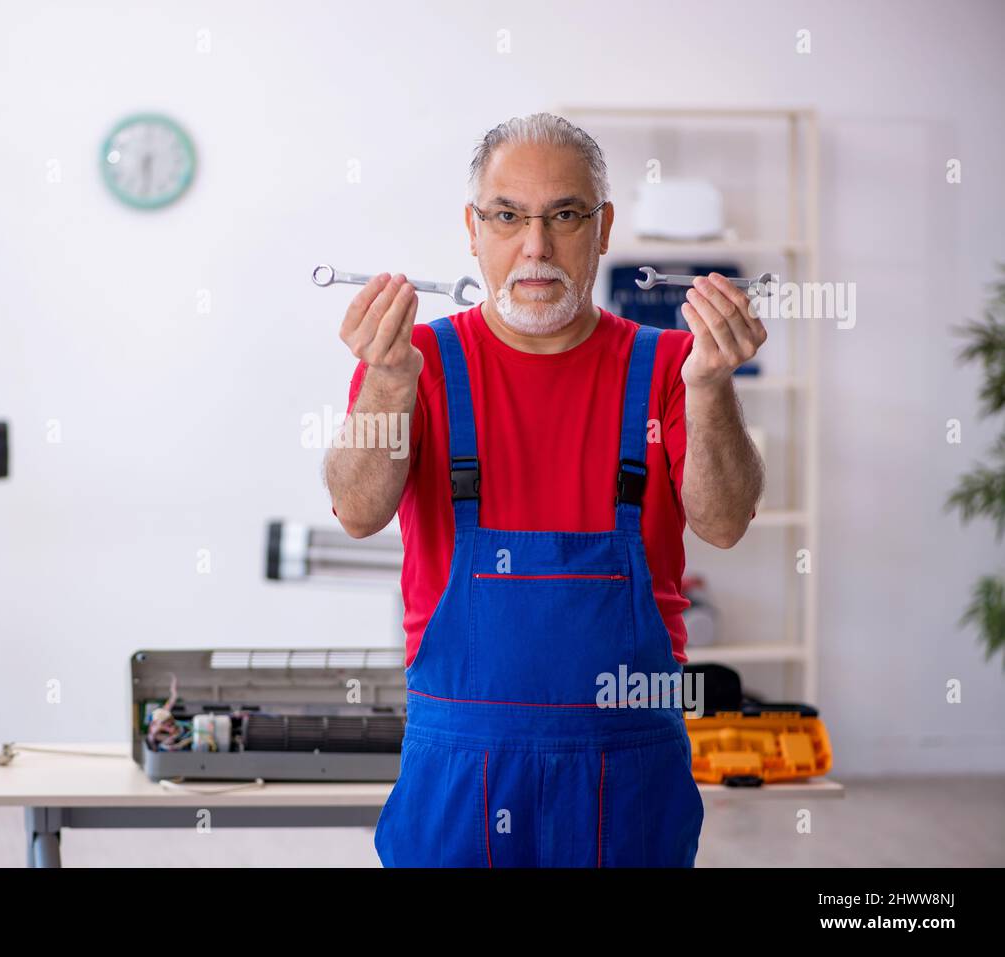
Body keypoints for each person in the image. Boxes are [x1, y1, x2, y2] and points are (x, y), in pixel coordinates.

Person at [323, 112, 766, 867]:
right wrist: (389, 386)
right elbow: (358, 510)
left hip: (629, 765)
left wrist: (712, 387)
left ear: (602, 227)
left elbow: (724, 523)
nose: (536, 246)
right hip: (458, 765)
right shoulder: (414, 361)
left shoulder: (671, 367)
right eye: (507, 216)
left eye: (564, 215)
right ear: (473, 228)